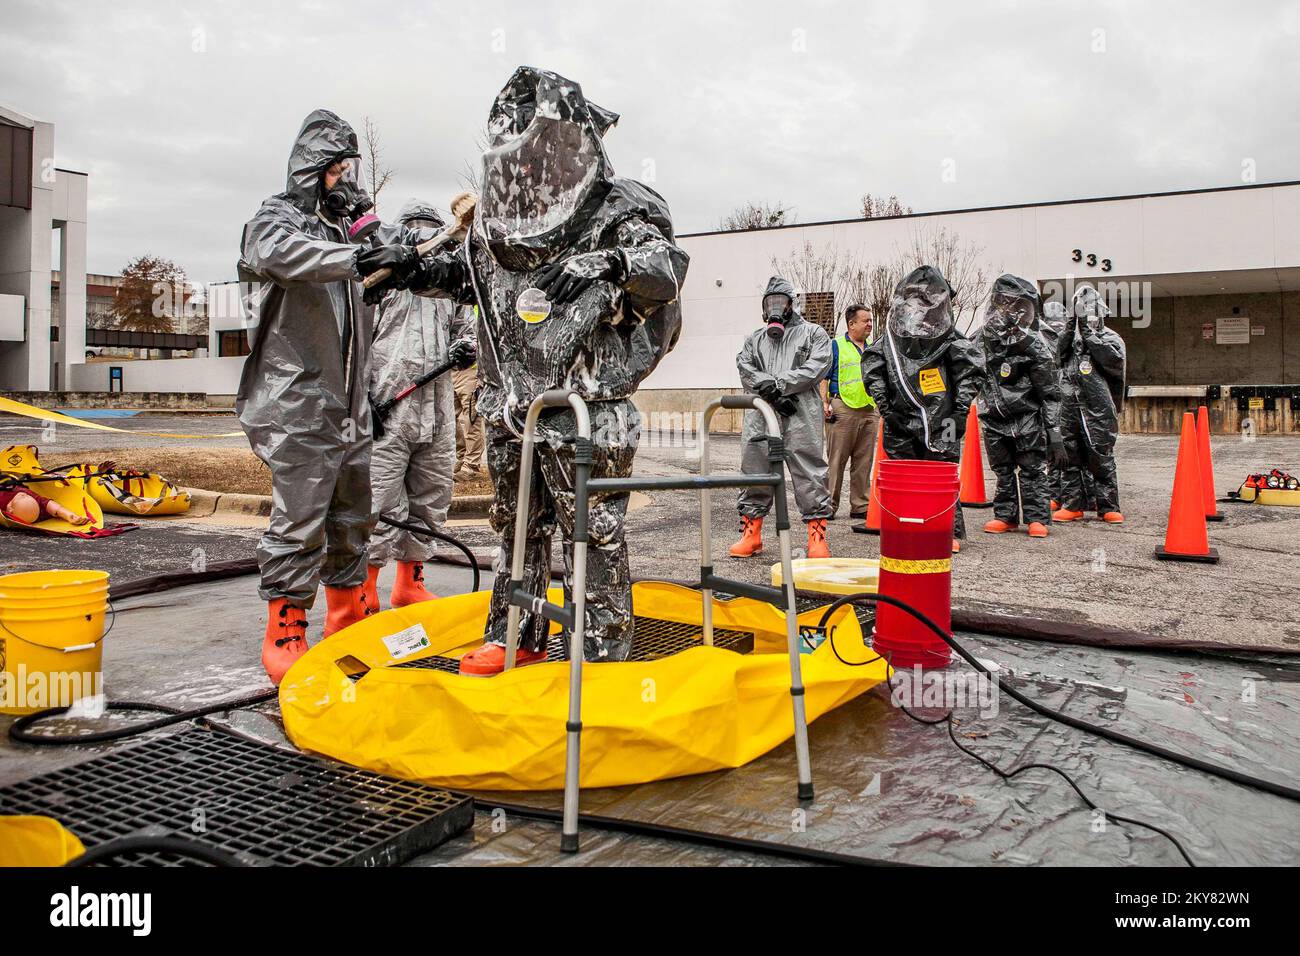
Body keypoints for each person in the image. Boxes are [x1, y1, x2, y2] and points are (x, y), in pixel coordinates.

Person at [372, 67, 689, 675]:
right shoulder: (499, 224)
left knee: (591, 530)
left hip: (586, 406)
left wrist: (607, 262)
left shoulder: (618, 206)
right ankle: (515, 630)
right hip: (510, 402)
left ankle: (600, 645)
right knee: (517, 527)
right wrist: (409, 267)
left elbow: (664, 267)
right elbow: (470, 280)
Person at [237, 108, 422, 685]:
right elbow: (274, 255)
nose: (345, 178)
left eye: (350, 168)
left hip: (350, 402)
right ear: (312, 170)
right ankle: (287, 623)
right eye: (336, 168)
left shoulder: (348, 229)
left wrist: (378, 236)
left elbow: (394, 255)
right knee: (300, 517)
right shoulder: (276, 219)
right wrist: (355, 257)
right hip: (296, 399)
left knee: (352, 514)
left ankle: (347, 613)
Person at [363, 200, 477, 611]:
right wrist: (361, 405)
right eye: (416, 229)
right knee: (376, 502)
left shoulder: (447, 286)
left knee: (431, 496)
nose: (425, 237)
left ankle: (409, 583)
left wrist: (467, 346)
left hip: (437, 409)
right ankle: (364, 588)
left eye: (431, 229)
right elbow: (355, 347)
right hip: (387, 409)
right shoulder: (384, 283)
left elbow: (467, 326)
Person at [861, 265, 983, 552]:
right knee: (903, 477)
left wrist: (960, 412)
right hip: (899, 418)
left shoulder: (950, 338)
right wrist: (885, 408)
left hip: (945, 420)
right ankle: (907, 527)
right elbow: (873, 369)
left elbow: (969, 372)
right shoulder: (891, 339)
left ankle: (945, 531)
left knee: (943, 475)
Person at [731, 276, 834, 559]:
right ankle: (751, 534)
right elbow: (744, 366)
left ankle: (817, 537)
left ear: (793, 304)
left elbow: (819, 365)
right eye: (770, 302)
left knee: (809, 469)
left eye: (781, 301)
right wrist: (772, 391)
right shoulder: (755, 339)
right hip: (761, 414)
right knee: (755, 468)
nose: (775, 307)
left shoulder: (814, 333)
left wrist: (780, 384)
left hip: (800, 413)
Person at [976, 275, 1066, 538]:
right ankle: (1005, 515)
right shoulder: (982, 339)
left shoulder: (1035, 343)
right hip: (994, 417)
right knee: (1002, 470)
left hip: (1027, 418)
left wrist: (1054, 433)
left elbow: (1049, 393)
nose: (1011, 312)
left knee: (1031, 468)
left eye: (1018, 306)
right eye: (1005, 304)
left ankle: (1037, 517)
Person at [1053, 284, 1127, 524]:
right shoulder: (1069, 341)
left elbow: (1113, 363)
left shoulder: (1110, 338)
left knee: (1101, 454)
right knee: (1069, 454)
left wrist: (1089, 334)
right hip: (1069, 405)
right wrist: (1070, 327)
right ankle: (1072, 504)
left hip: (1098, 408)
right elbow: (1055, 356)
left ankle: (1107, 505)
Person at [822, 304, 878, 520]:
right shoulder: (836, 345)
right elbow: (824, 377)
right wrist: (824, 403)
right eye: (866, 321)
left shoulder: (873, 347)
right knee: (836, 460)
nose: (870, 324)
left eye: (870, 320)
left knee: (864, 461)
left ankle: (860, 505)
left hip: (868, 409)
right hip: (842, 407)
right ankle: (829, 504)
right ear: (851, 323)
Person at [453, 323, 486, 481]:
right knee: (454, 417)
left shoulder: (467, 303)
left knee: (471, 417)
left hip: (470, 366)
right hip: (449, 366)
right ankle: (462, 459)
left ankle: (471, 465)